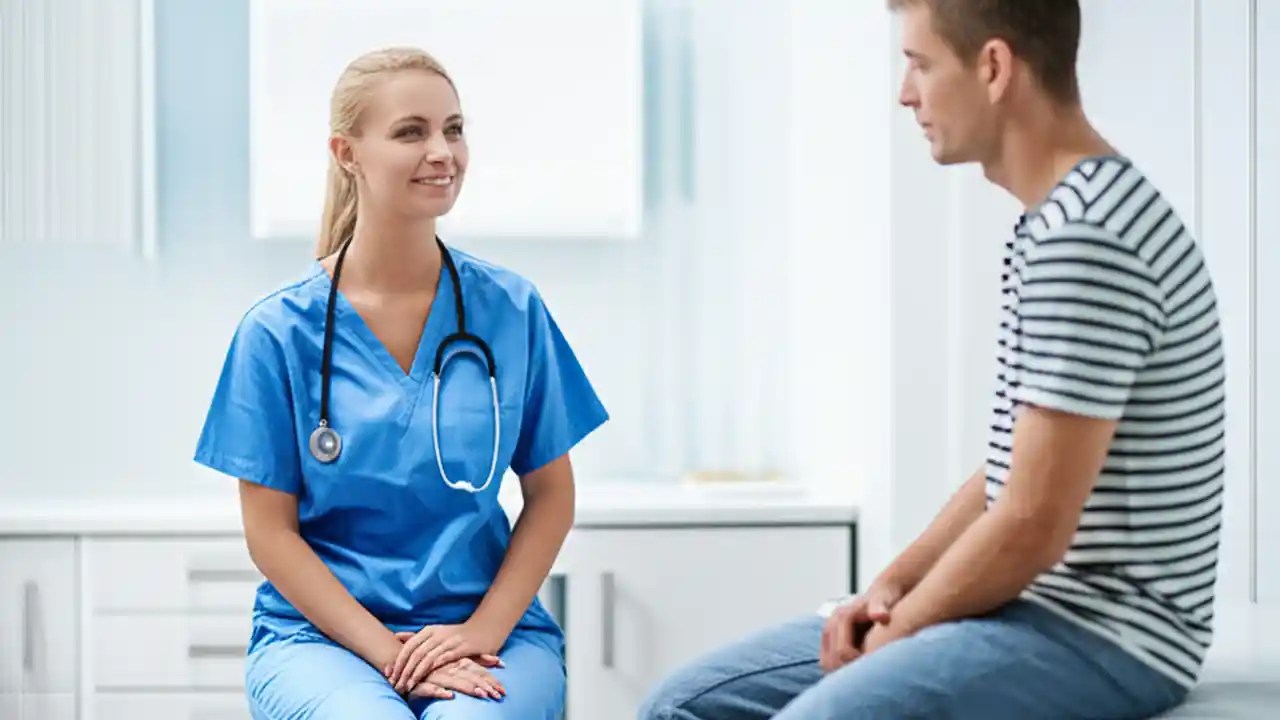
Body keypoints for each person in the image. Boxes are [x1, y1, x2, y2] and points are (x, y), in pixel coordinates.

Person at [639, 1, 1224, 718]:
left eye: (919, 64)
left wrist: (901, 631)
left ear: (994, 68)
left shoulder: (1087, 236)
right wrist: (891, 587)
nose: (905, 93)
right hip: (1032, 610)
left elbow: (1032, 523)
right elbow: (1013, 474)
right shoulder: (1056, 221)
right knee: (685, 705)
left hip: (1101, 634)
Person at [193, 46, 609, 719]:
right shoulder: (278, 331)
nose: (442, 152)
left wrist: (481, 633)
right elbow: (270, 535)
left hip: (487, 627)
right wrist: (393, 655)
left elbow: (552, 494)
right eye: (411, 132)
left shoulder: (511, 309)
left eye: (454, 129)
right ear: (347, 153)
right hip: (321, 638)